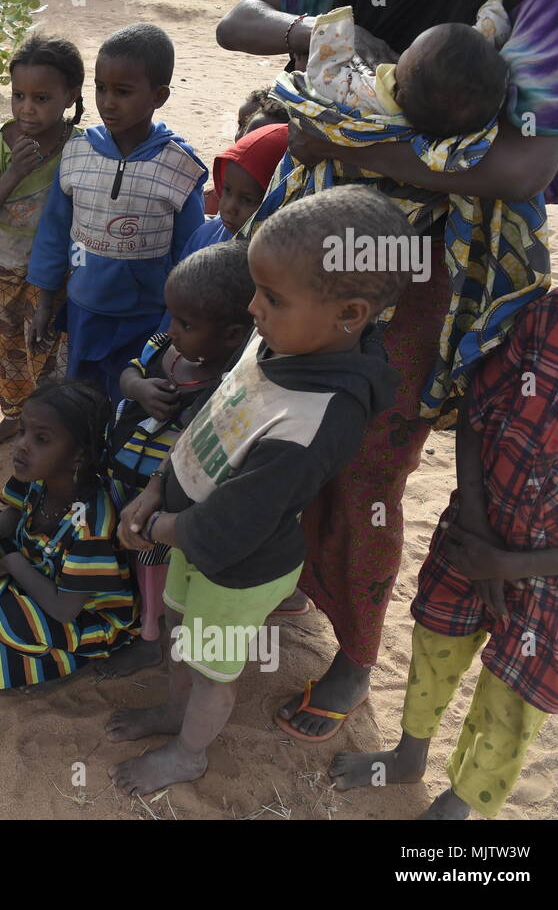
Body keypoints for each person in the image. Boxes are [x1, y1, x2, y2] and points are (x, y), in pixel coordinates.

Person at [215, 0, 558, 741]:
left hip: (424, 279)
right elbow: (237, 20)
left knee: (369, 464)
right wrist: (320, 32)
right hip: (317, 243)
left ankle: (355, 652)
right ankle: (292, 580)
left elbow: (525, 164)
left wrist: (348, 143)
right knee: (284, 427)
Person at [108, 187, 404, 796]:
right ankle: (174, 712)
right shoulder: (279, 341)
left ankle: (189, 753)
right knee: (181, 633)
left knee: (212, 671)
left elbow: (233, 524)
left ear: (348, 314)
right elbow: (214, 415)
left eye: (271, 297)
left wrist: (154, 527)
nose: (252, 307)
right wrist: (158, 485)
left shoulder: (317, 418)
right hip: (190, 536)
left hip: (237, 569)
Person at [329, 287, 558, 819]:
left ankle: (459, 803)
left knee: (512, 699)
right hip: (474, 528)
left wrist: (511, 565)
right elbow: (476, 408)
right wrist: (475, 521)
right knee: (437, 642)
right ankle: (408, 756)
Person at [27, 23, 207, 401]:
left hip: (146, 318)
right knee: (81, 398)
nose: (107, 102)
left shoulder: (178, 167)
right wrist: (44, 301)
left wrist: (173, 324)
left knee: (131, 399)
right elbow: (54, 231)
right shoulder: (78, 154)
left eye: (122, 92)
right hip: (83, 309)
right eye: (100, 88)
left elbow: (190, 255)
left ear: (159, 96)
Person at [99, 241, 255, 676]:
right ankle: (141, 613)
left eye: (187, 324)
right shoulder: (162, 347)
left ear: (232, 335)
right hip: (124, 478)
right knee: (128, 549)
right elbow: (128, 370)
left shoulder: (227, 386)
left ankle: (151, 638)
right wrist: (138, 388)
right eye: (172, 317)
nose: (173, 331)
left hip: (165, 501)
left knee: (155, 564)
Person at [0, 380, 135, 691]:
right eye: (22, 431)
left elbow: (66, 610)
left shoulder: (90, 524)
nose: (21, 445)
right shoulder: (40, 477)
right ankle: (15, 593)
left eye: (41, 439)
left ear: (77, 456)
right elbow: (17, 511)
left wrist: (12, 563)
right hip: (44, 568)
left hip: (85, 615)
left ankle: (67, 661)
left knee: (14, 621)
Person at [0, 33, 85, 452]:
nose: (27, 108)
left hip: (55, 274)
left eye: (41, 98)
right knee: (9, 347)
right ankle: (13, 417)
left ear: (70, 96)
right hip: (2, 266)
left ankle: (49, 429)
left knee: (49, 350)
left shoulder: (80, 148)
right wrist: (14, 173)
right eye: (19, 95)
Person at [306, 0, 510, 138]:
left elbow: (323, 76)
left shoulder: (365, 98)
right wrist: (493, 13)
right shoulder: (449, 95)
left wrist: (333, 28)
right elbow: (476, 46)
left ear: (400, 93)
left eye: (411, 49)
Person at [184, 123, 289, 254]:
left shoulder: (283, 258)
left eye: (248, 200)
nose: (229, 207)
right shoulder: (205, 237)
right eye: (227, 189)